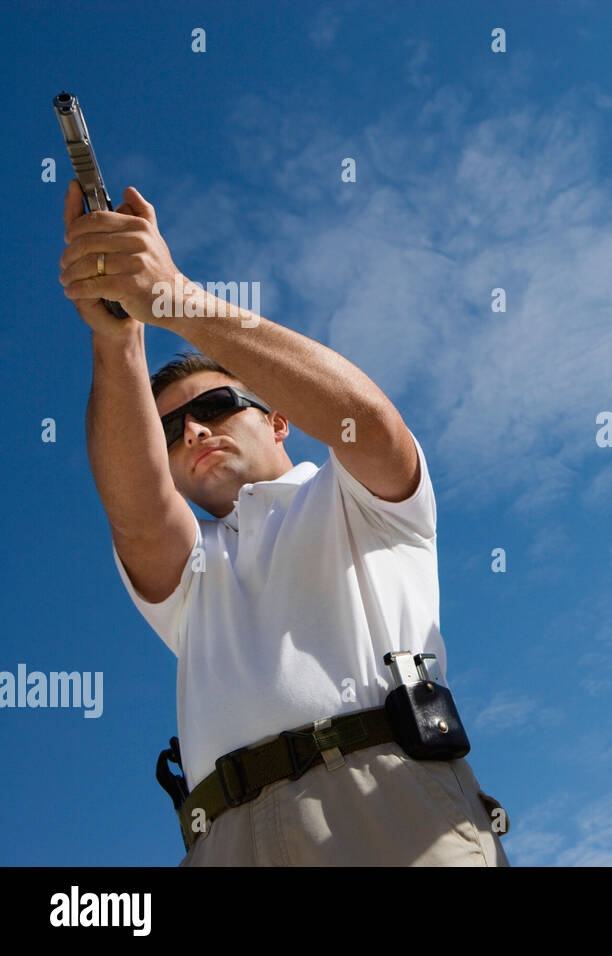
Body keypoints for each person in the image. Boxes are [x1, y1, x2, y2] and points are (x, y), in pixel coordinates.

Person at [59, 180, 508, 866]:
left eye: (214, 406)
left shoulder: (357, 499)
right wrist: (117, 333)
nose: (193, 432)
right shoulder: (194, 569)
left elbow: (375, 426)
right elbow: (140, 520)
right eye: (171, 426)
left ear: (277, 420)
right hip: (224, 839)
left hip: (390, 806)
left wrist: (174, 297)